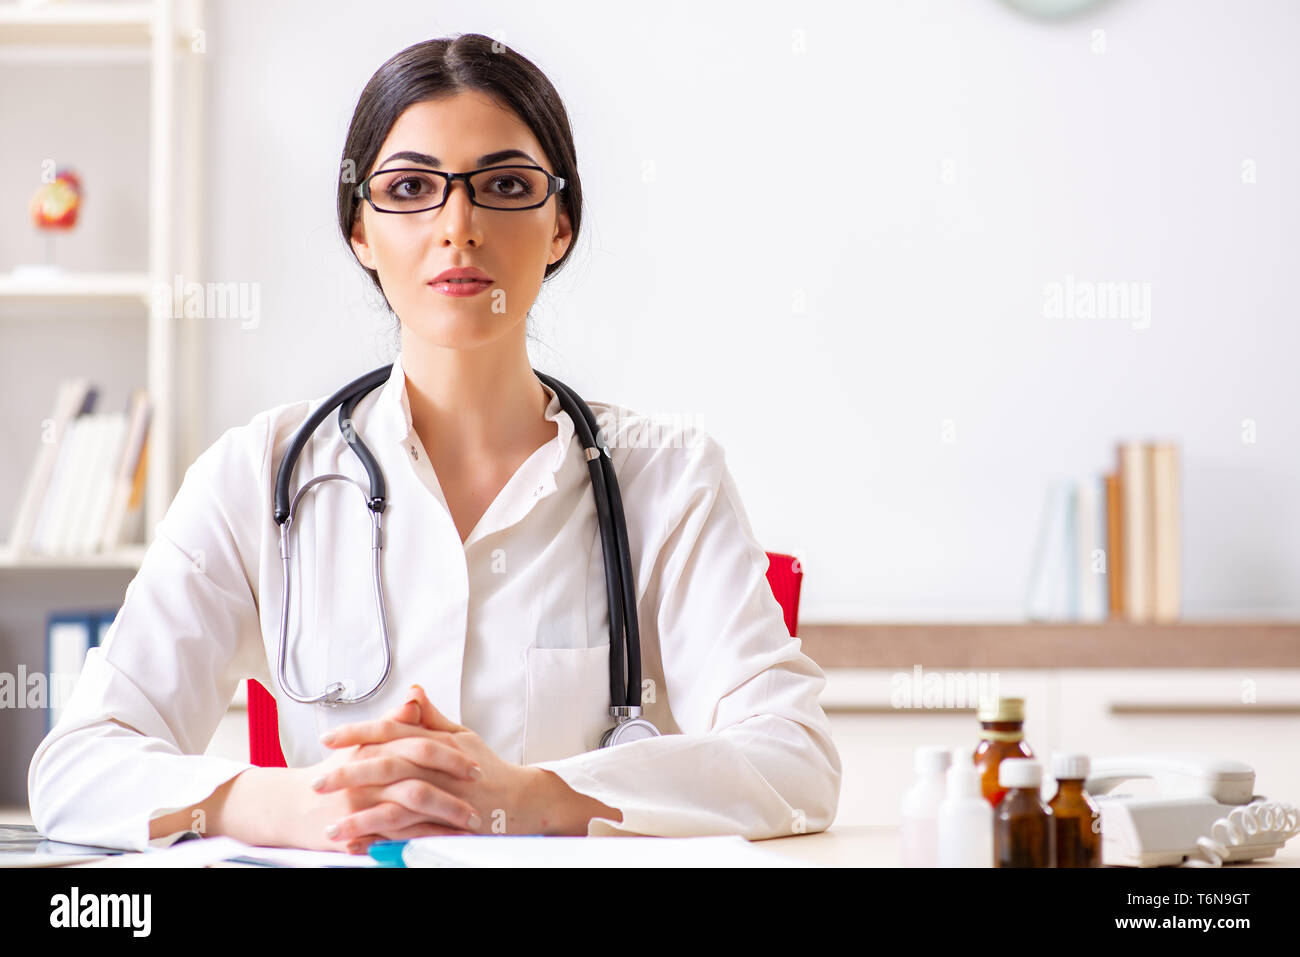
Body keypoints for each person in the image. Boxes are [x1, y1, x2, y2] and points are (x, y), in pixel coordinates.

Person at [27, 33, 841, 854]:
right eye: (412, 187)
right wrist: (298, 801)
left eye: (505, 186)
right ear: (359, 232)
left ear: (561, 226)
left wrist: (532, 795)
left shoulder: (667, 478)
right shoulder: (255, 476)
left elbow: (795, 760)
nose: (459, 226)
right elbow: (76, 769)